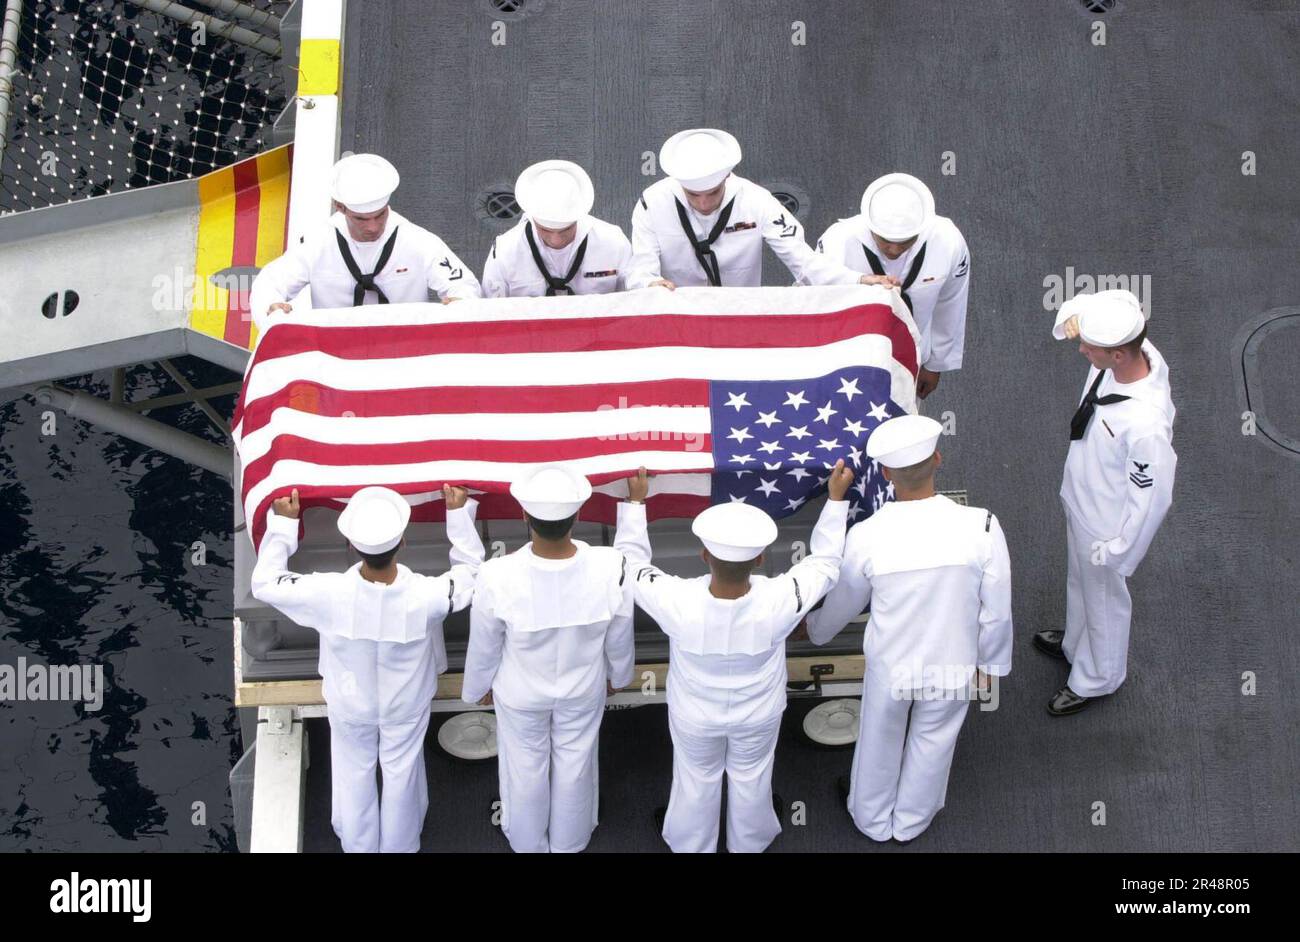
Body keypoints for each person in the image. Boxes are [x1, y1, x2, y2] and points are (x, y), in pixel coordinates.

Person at [613, 462, 854, 853]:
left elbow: (631, 566)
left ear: (704, 554)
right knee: (752, 775)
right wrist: (836, 500)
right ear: (760, 559)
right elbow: (826, 564)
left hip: (695, 715)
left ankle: (691, 843)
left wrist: (635, 504)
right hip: (758, 713)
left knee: (696, 776)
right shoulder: (783, 598)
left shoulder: (676, 600)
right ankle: (751, 841)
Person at [807, 415, 1013, 842]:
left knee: (878, 741)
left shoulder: (866, 535)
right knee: (935, 742)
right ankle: (911, 821)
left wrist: (816, 632)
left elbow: (843, 602)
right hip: (953, 666)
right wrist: (991, 664)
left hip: (892, 668)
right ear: (938, 459)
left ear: (884, 474)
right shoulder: (983, 526)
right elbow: (996, 610)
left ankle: (870, 817)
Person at [250, 484, 484, 852]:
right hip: (405, 705)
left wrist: (283, 526)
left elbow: (264, 583)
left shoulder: (326, 594)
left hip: (350, 702)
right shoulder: (428, 595)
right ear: (402, 541)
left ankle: (358, 844)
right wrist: (457, 514)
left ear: (353, 545)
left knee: (354, 770)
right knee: (402, 771)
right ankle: (401, 844)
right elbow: (471, 573)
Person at [461, 465, 635, 853]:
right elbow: (620, 631)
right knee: (576, 764)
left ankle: (526, 841)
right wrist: (619, 676)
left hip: (520, 692)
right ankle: (570, 841)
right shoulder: (611, 566)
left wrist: (477, 688)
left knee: (523, 767)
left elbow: (485, 644)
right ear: (576, 517)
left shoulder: (495, 573)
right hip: (582, 687)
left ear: (524, 516)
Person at [1034, 290, 1176, 715]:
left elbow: (1152, 498)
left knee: (1104, 598)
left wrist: (1120, 550)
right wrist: (1075, 318)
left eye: (1089, 347)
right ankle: (1077, 642)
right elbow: (1097, 303)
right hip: (1082, 496)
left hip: (1105, 524)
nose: (1081, 349)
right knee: (1079, 584)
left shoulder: (1145, 424)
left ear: (1117, 355)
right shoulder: (1134, 343)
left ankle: (1099, 676)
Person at [248, 153, 481, 332]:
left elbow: (464, 285)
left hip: (406, 343)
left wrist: (460, 302)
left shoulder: (419, 242)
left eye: (380, 215)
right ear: (340, 207)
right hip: (336, 347)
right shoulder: (316, 244)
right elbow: (269, 283)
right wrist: (272, 307)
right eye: (361, 218)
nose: (372, 227)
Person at [626, 128, 879, 290]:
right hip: (678, 319)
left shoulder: (758, 200)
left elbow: (803, 261)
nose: (703, 204)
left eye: (712, 193)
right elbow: (640, 270)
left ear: (727, 177)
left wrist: (857, 279)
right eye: (693, 195)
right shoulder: (652, 203)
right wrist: (651, 285)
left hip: (740, 318)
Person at [809, 173, 970, 399]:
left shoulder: (949, 242)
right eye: (885, 240)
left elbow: (951, 303)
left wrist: (936, 364)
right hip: (846, 363)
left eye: (904, 242)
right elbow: (811, 298)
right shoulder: (838, 241)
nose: (894, 250)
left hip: (910, 362)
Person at [481, 160, 632, 297]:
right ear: (532, 219)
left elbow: (636, 300)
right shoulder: (505, 252)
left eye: (566, 230)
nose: (556, 240)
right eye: (545, 230)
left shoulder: (614, 243)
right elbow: (492, 314)